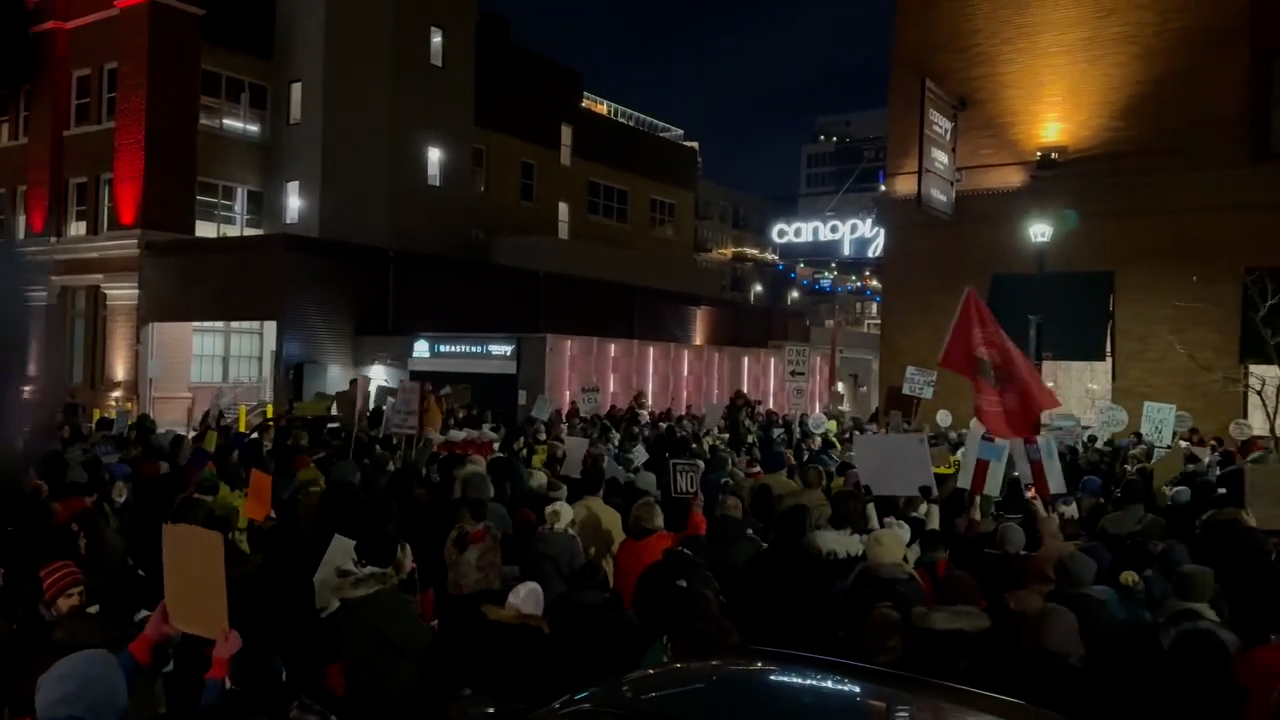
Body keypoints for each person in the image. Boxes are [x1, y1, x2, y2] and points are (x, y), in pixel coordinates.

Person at [612, 496, 706, 609]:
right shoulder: (666, 542)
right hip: (651, 611)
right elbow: (696, 537)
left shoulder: (624, 545)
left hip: (624, 611)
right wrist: (697, 509)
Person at [571, 468, 625, 586]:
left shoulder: (571, 511)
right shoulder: (612, 515)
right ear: (602, 487)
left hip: (575, 578)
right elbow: (618, 549)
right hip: (604, 579)